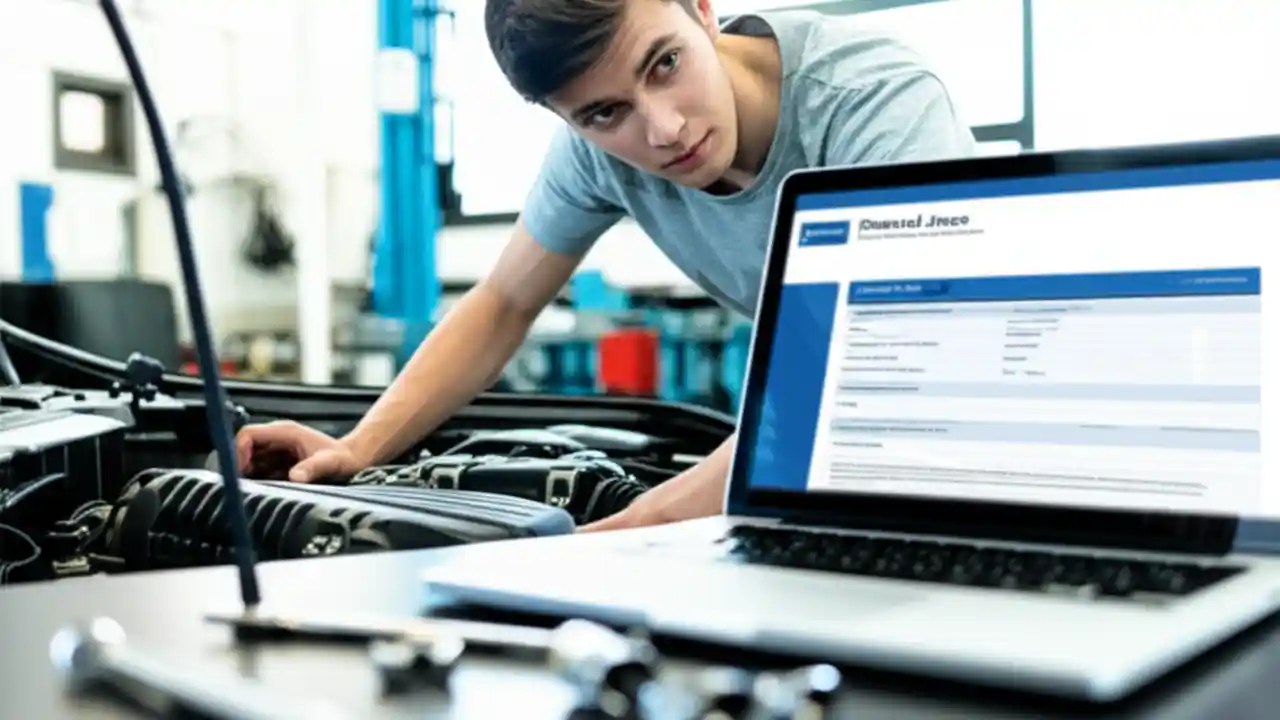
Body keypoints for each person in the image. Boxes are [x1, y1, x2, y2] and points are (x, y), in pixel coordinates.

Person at [233, 0, 977, 531]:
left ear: (701, 9)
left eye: (666, 63)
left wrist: (632, 530)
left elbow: (862, 375)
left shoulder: (872, 105)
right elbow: (504, 301)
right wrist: (357, 448)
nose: (665, 129)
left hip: (963, 419)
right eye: (603, 113)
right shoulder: (596, 152)